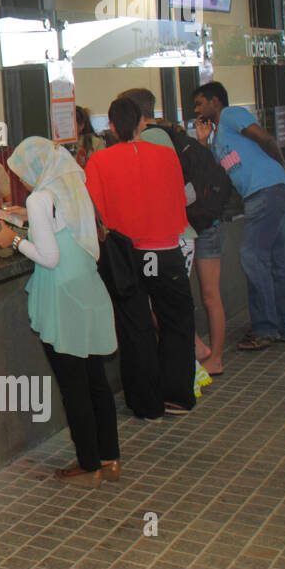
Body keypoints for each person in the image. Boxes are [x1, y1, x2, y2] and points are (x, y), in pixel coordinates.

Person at [0, 138, 119, 488]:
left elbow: (49, 257)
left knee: (73, 386)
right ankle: (109, 458)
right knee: (95, 379)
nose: (22, 179)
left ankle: (88, 465)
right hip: (86, 288)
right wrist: (28, 218)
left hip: (61, 295)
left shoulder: (39, 198)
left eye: (22, 172)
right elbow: (64, 227)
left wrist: (13, 239)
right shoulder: (72, 186)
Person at [84, 96, 196, 419]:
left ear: (111, 125)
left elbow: (95, 211)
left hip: (126, 255)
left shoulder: (99, 162)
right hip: (166, 249)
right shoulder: (166, 155)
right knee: (176, 321)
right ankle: (177, 395)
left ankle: (146, 403)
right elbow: (179, 197)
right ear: (141, 123)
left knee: (136, 327)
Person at [120, 87, 230, 377]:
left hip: (178, 231)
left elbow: (157, 187)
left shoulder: (149, 138)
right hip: (202, 221)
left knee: (165, 305)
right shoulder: (172, 132)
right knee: (207, 296)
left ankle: (194, 357)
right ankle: (211, 357)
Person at [192, 81, 285, 350]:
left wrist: (283, 165)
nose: (196, 110)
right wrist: (203, 142)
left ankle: (265, 329)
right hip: (262, 194)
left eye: (199, 103)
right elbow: (216, 173)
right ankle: (281, 328)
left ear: (215, 101)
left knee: (252, 257)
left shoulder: (231, 114)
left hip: (267, 191)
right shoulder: (218, 137)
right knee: (274, 261)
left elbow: (266, 139)